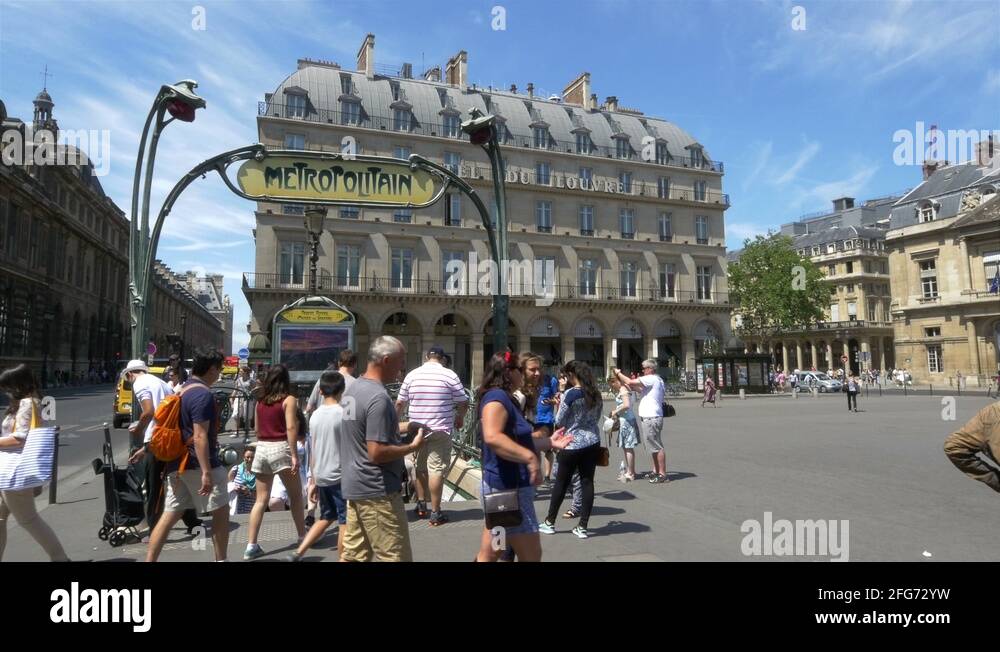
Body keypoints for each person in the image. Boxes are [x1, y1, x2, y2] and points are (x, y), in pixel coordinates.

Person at [475, 352, 572, 561]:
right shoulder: (497, 397)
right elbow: (492, 436)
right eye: (522, 370)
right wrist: (529, 458)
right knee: (531, 555)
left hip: (504, 491)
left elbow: (516, 439)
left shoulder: (504, 397)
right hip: (508, 491)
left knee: (492, 551)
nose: (527, 375)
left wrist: (549, 442)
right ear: (509, 373)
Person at [340, 336, 426, 562]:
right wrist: (411, 446)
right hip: (378, 491)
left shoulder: (353, 390)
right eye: (401, 361)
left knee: (354, 556)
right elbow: (376, 452)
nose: (403, 367)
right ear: (386, 360)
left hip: (355, 485)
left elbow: (361, 430)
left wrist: (408, 426)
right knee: (395, 556)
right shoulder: (379, 397)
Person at [146, 348, 230, 562]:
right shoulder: (202, 395)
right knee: (220, 511)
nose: (219, 374)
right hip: (198, 462)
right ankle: (221, 560)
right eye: (219, 369)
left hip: (177, 464)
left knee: (169, 515)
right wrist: (206, 472)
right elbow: (200, 436)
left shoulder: (182, 389)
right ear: (211, 369)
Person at [123, 359, 202, 534]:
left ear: (130, 374)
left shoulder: (139, 383)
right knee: (177, 482)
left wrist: (138, 429)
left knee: (154, 486)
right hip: (170, 439)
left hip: (157, 439)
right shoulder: (159, 382)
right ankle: (193, 521)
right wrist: (145, 450)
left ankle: (154, 528)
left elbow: (149, 411)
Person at [0, 364, 69, 562]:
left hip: (14, 470)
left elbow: (20, 438)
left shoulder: (27, 404)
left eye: (7, 387)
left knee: (28, 519)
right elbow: (47, 427)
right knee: (2, 518)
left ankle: (60, 558)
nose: (5, 392)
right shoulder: (36, 401)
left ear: (17, 385)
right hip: (8, 469)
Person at [395, 345, 468, 526]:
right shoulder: (449, 375)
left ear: (426, 357)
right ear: (442, 358)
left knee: (420, 468)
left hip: (417, 429)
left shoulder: (412, 375)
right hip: (440, 430)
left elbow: (400, 403)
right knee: (436, 469)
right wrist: (460, 417)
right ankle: (436, 512)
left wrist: (393, 424)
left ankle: (421, 505)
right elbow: (464, 401)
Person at [244, 364, 306, 560]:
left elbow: (256, 428)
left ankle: (251, 545)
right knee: (296, 496)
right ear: (286, 380)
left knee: (261, 500)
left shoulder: (260, 402)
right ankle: (301, 536)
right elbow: (290, 427)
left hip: (262, 448)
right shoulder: (289, 400)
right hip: (281, 448)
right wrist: (294, 454)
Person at [539, 360, 603, 539]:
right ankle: (582, 527)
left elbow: (559, 419)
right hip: (592, 441)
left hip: (572, 442)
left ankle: (549, 522)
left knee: (561, 482)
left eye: (566, 375)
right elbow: (596, 417)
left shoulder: (570, 394)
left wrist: (559, 404)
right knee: (587, 482)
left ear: (572, 374)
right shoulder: (595, 393)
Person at [288, 370, 348, 561]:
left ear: (320, 391)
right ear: (342, 390)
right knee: (345, 521)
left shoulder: (314, 416)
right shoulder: (343, 414)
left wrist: (313, 479)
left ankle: (299, 552)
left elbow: (313, 449)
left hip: (321, 473)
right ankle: (343, 558)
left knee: (326, 517)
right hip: (340, 475)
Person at [614, 360, 668, 483]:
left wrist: (619, 373)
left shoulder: (652, 378)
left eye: (644, 368)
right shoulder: (656, 380)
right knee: (652, 446)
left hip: (651, 417)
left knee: (657, 446)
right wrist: (626, 384)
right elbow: (637, 388)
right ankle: (656, 471)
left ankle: (662, 474)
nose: (642, 371)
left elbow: (630, 381)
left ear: (650, 369)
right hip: (651, 416)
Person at [943, 400, 1000, 493]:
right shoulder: (992, 414)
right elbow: (954, 446)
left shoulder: (991, 413)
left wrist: (994, 479)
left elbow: (953, 446)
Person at [306, 350, 357, 416]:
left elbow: (309, 408)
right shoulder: (356, 384)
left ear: (339, 363)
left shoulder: (324, 378)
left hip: (321, 423)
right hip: (343, 424)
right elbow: (352, 414)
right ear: (355, 365)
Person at [609, 374, 638, 481]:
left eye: (612, 383)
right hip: (626, 420)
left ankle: (631, 473)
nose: (612, 386)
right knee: (626, 447)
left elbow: (626, 405)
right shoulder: (625, 389)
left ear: (617, 381)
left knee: (628, 447)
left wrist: (615, 411)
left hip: (627, 421)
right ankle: (631, 470)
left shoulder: (623, 389)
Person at [228, 446, 257, 516]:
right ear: (243, 457)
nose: (250, 459)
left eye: (252, 457)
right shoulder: (235, 469)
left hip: (252, 510)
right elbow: (227, 486)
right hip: (235, 508)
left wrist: (248, 492)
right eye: (247, 457)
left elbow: (261, 496)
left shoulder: (259, 473)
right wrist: (234, 488)